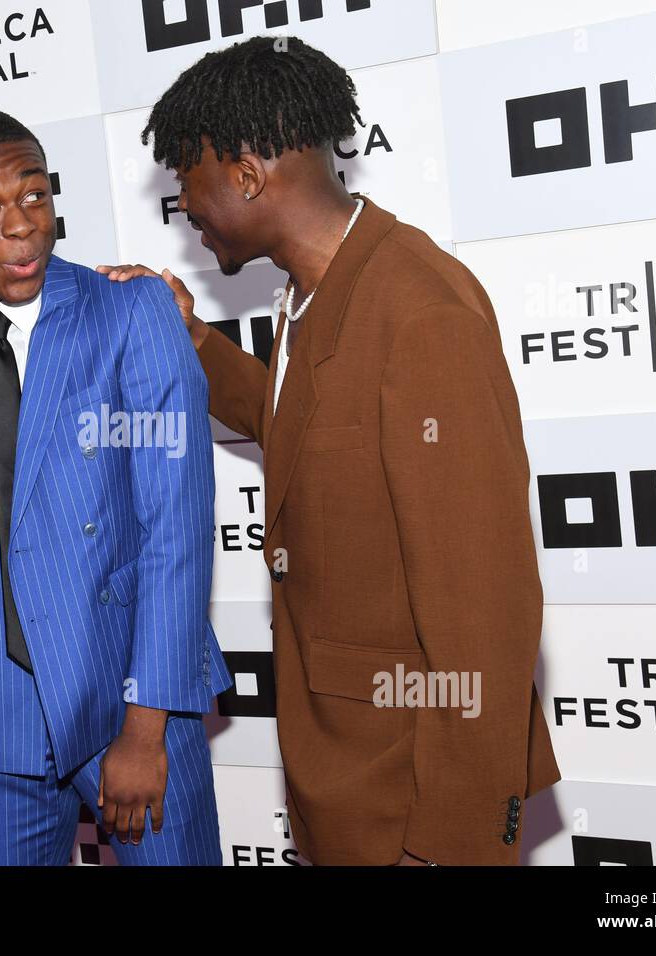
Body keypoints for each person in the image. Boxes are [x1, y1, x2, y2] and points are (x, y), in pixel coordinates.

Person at [100, 36, 559, 865]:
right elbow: (308, 432)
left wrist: (452, 842)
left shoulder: (420, 310)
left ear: (245, 173)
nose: (184, 208)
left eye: (188, 181)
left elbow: (483, 613)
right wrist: (193, 338)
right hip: (344, 773)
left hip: (411, 796)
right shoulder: (315, 289)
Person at [0, 106, 232, 866]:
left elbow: (173, 527)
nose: (22, 225)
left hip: (127, 692)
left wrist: (145, 729)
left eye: (35, 195)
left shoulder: (130, 311)